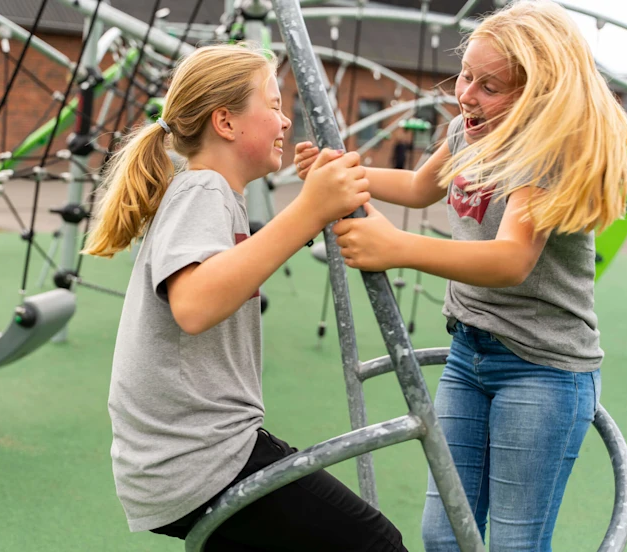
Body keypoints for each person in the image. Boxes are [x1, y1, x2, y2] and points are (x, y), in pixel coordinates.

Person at [294, 1, 627, 550]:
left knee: (513, 543)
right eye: (466, 76)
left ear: (536, 95)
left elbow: (511, 260)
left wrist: (399, 247)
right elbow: (417, 187)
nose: (466, 95)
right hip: (469, 356)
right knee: (444, 534)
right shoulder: (465, 131)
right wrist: (340, 170)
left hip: (542, 368)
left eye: (489, 86)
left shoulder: (544, 150)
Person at [84, 44, 407, 551]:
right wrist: (307, 210)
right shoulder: (203, 190)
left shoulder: (213, 195)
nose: (286, 121)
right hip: (202, 460)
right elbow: (193, 305)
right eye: (275, 105)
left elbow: (232, 267)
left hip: (184, 459)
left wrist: (317, 211)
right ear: (226, 123)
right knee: (376, 543)